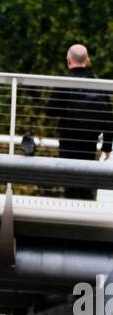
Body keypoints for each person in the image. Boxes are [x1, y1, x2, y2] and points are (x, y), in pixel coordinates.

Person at [45, 43, 113, 201]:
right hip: (89, 142)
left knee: (70, 182)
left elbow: (50, 110)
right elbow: (109, 117)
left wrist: (67, 108)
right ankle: (85, 215)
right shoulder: (97, 83)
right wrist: (107, 146)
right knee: (86, 181)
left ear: (68, 60)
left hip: (68, 141)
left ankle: (71, 216)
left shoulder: (66, 82)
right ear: (87, 60)